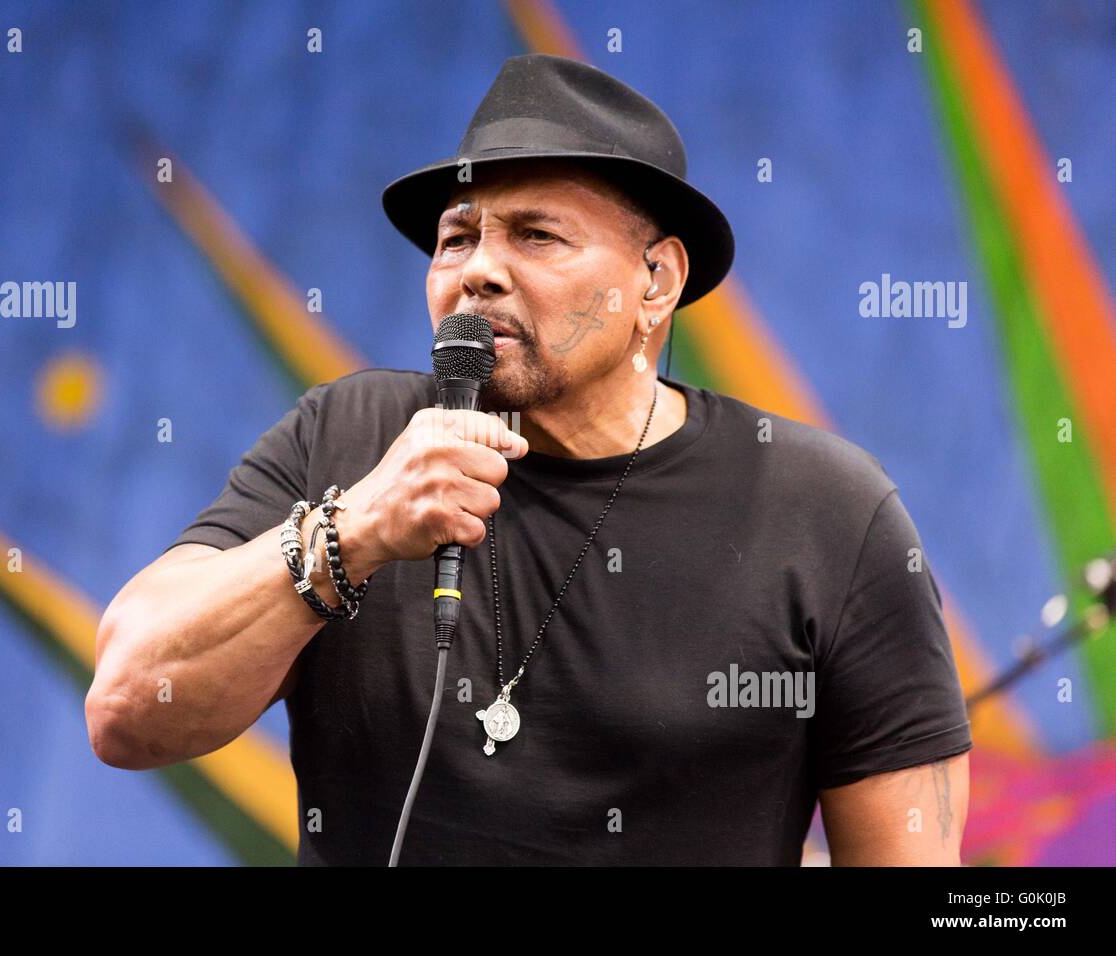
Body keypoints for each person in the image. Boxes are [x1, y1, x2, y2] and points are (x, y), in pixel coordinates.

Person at [86, 53, 971, 865]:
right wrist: (348, 534)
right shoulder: (347, 438)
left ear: (654, 283)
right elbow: (128, 710)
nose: (478, 271)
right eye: (458, 236)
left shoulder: (824, 510)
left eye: (536, 235)